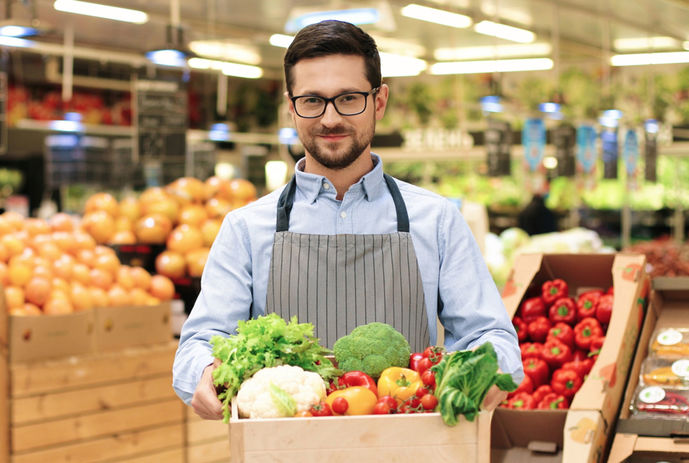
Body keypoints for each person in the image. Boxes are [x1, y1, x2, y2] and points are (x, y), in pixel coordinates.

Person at [173, 20, 522, 420]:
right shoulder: (245, 229)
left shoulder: (438, 221)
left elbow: (489, 334)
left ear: (380, 101)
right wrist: (203, 372)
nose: (330, 118)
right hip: (283, 450)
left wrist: (488, 368)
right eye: (312, 101)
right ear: (291, 106)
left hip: (410, 447)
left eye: (349, 98)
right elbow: (201, 340)